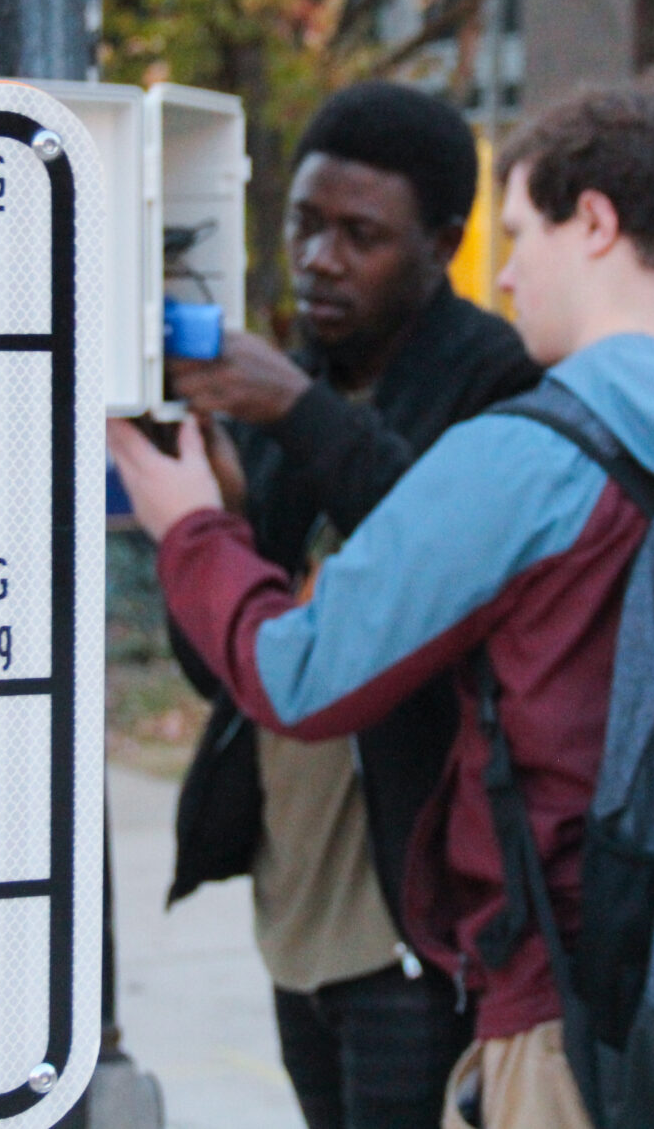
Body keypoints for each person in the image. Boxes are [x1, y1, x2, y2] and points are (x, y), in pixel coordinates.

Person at [111, 89, 654, 1129]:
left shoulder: (526, 454)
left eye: (519, 234)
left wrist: (191, 527)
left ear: (593, 224)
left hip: (565, 1011)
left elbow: (294, 673)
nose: (504, 273)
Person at [161, 82, 540, 1129]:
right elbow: (222, 672)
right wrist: (217, 530)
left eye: (359, 235)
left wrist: (296, 409)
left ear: (442, 242)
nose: (319, 258)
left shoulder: (497, 384)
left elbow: (448, 563)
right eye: (304, 224)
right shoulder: (290, 384)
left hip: (413, 922)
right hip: (298, 903)